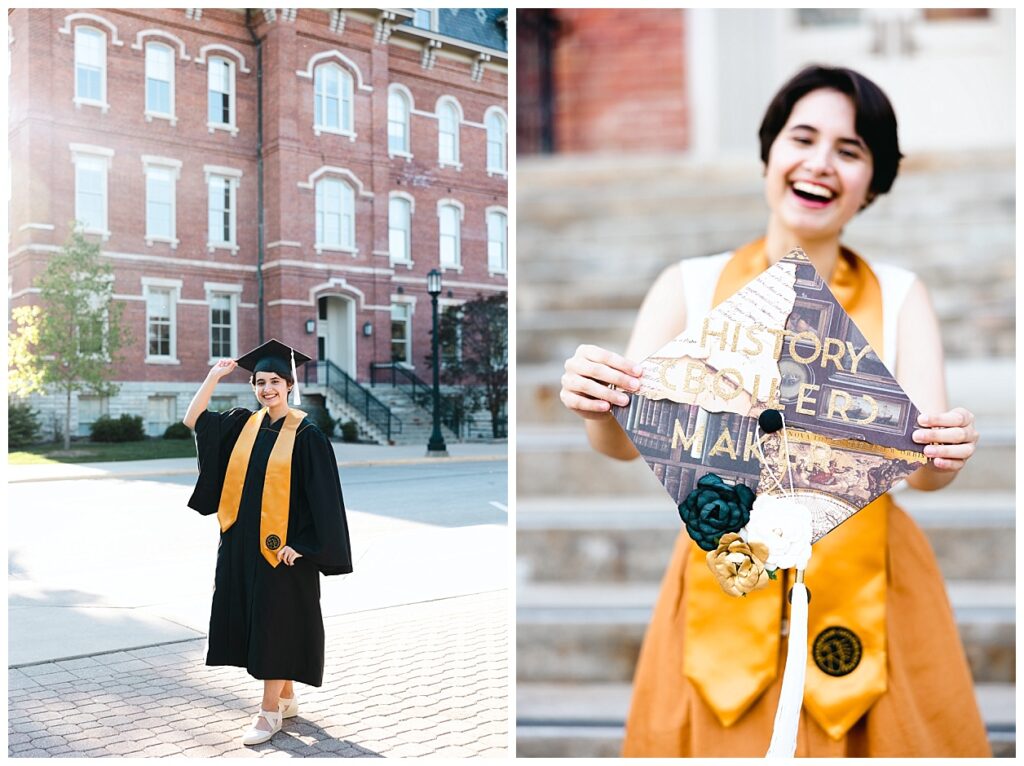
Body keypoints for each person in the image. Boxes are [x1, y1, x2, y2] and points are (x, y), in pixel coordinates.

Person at [559, 65, 989, 757]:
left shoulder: (902, 294)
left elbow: (924, 468)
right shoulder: (689, 285)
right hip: (721, 566)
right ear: (770, 153)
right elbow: (619, 440)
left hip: (871, 571)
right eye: (803, 138)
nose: (821, 163)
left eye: (850, 150)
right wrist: (596, 402)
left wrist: (946, 450)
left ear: (872, 183)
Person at [183, 339, 353, 746]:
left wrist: (306, 546)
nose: (267, 389)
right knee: (260, 622)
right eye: (260, 382)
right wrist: (213, 376)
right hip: (242, 544)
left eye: (275, 381)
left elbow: (324, 499)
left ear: (290, 384)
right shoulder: (245, 424)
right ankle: (287, 697)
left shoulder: (308, 435)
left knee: (275, 625)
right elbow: (195, 420)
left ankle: (268, 711)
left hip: (281, 551)